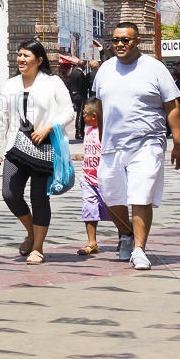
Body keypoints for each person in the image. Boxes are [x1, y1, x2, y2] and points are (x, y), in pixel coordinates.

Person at [94, 22, 180, 272]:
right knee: (110, 195)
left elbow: (172, 106)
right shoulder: (104, 70)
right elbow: (101, 107)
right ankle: (125, 234)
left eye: (126, 40)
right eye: (115, 40)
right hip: (113, 145)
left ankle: (139, 249)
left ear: (137, 42)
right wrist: (101, 141)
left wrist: (178, 143)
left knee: (140, 194)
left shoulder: (154, 68)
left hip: (147, 141)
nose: (120, 44)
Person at [0, 41, 74, 264]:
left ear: (39, 60)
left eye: (26, 55)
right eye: (19, 55)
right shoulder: (10, 85)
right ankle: (31, 230)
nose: (21, 59)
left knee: (39, 197)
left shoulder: (53, 83)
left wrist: (48, 127)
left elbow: (68, 112)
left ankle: (37, 248)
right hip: (16, 147)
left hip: (44, 146)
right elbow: (2, 117)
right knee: (10, 193)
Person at [76, 99, 106, 256]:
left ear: (94, 116)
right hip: (88, 178)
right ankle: (92, 242)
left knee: (115, 210)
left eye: (84, 113)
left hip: (104, 179)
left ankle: (124, 239)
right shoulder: (87, 131)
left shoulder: (105, 132)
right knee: (89, 209)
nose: (82, 116)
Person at [67, 59, 89, 140]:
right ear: (84, 66)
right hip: (80, 95)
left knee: (79, 114)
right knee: (80, 115)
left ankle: (79, 132)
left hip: (74, 95)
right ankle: (79, 132)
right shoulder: (80, 74)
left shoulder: (72, 73)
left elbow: (68, 83)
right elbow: (83, 86)